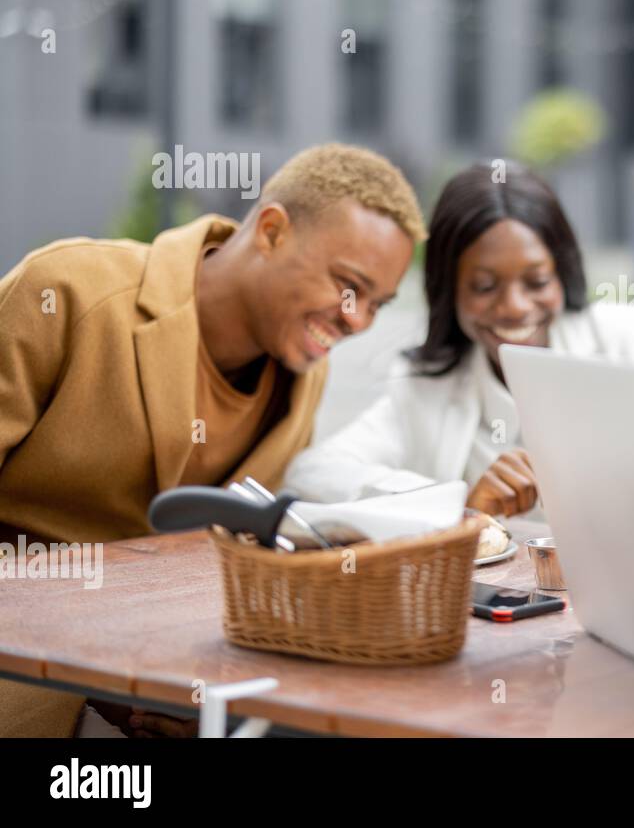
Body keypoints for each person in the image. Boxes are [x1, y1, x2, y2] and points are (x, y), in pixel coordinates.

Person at [0, 142, 425, 736]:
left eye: (378, 304)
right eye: (350, 286)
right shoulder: (68, 291)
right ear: (273, 232)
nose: (359, 320)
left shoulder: (302, 376)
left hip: (179, 685)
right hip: (29, 666)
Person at [284, 160, 634, 526]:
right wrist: (458, 502)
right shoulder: (427, 385)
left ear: (562, 272)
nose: (514, 308)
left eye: (536, 281)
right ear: (449, 291)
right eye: (483, 286)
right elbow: (312, 473)